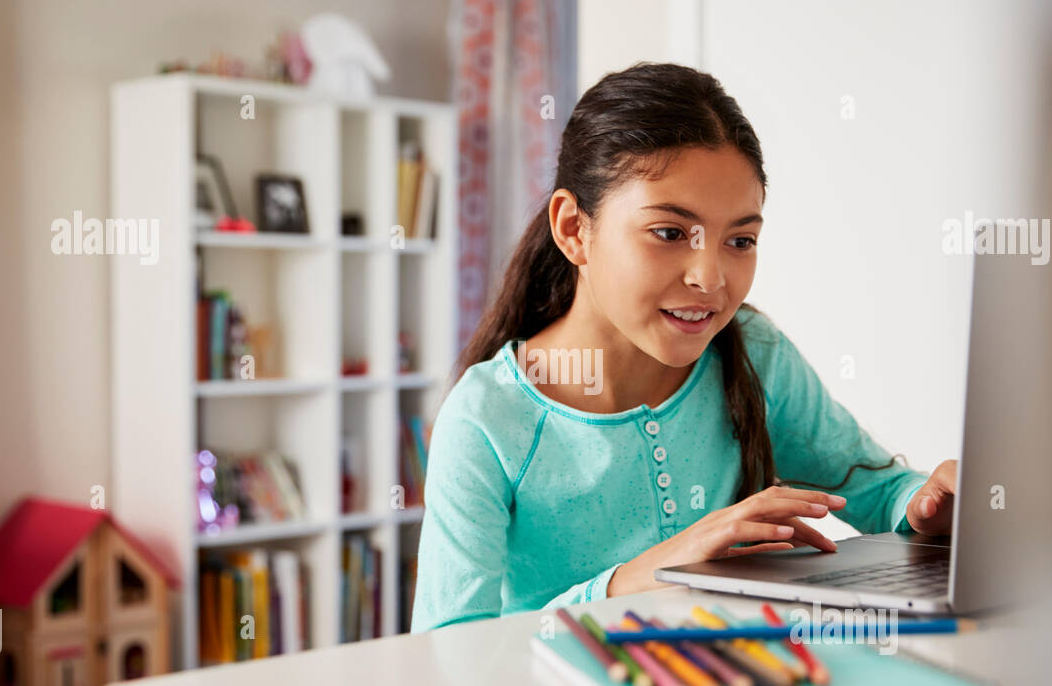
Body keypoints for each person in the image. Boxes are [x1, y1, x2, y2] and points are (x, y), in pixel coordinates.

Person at [410, 62, 957, 633]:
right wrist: (639, 577)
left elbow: (877, 489)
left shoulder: (754, 355)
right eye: (670, 233)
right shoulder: (488, 419)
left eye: (740, 240)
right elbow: (449, 655)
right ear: (574, 229)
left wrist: (923, 503)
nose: (711, 277)